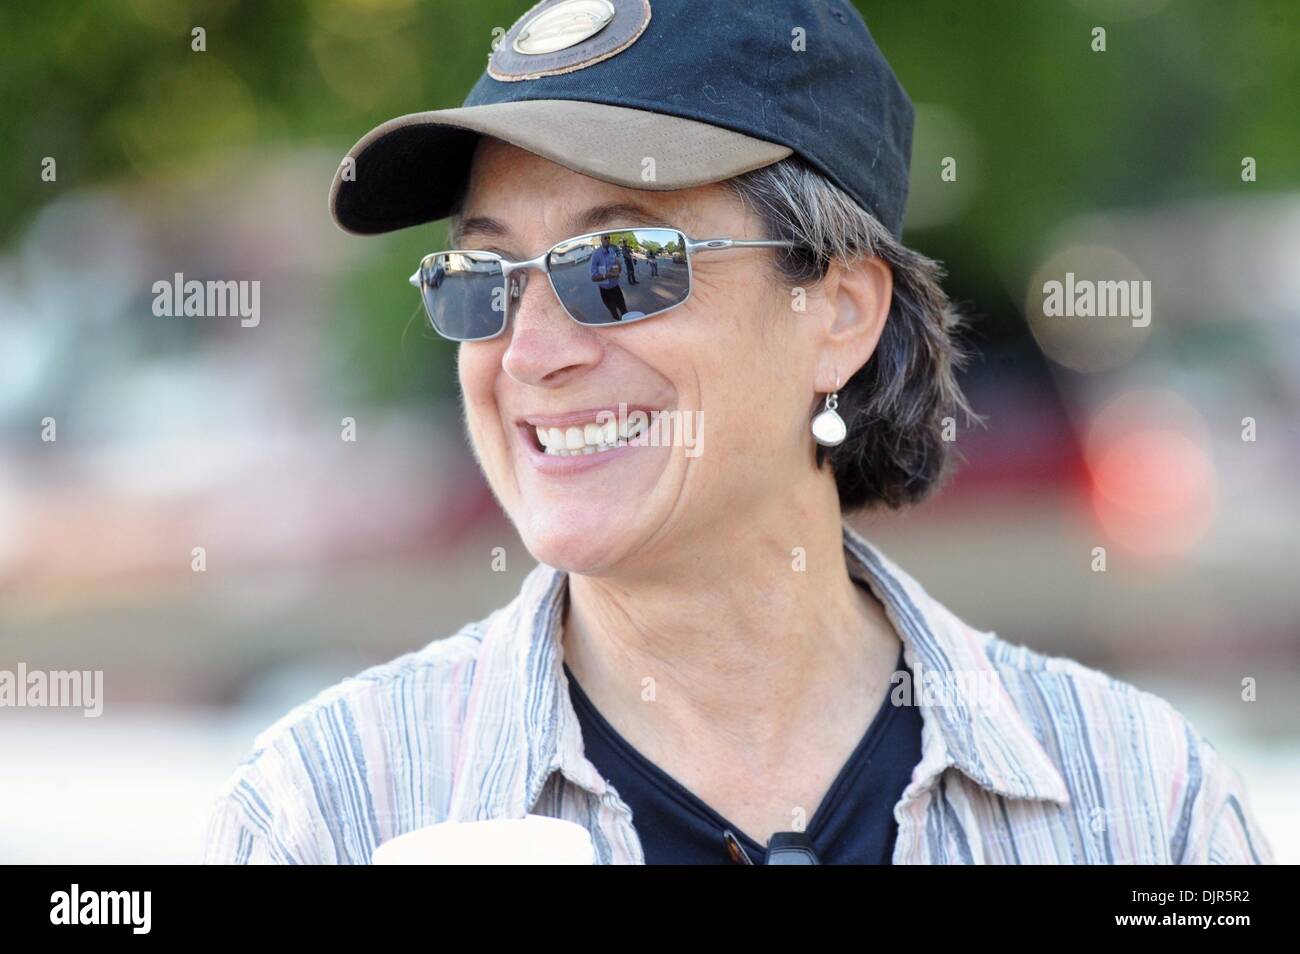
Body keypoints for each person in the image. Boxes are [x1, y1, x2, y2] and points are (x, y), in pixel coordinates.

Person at [206, 0, 1273, 865]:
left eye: (618, 264)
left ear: (841, 314)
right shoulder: (324, 816)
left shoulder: (1140, 808)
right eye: (480, 280)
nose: (531, 353)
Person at [590, 233, 628, 321]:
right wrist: (607, 275)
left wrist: (619, 266)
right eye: (605, 238)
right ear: (601, 240)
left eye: (608, 238)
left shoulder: (612, 251)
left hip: (616, 288)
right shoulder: (596, 255)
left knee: (624, 310)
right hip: (605, 291)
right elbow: (593, 277)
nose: (607, 239)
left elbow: (618, 269)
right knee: (614, 313)